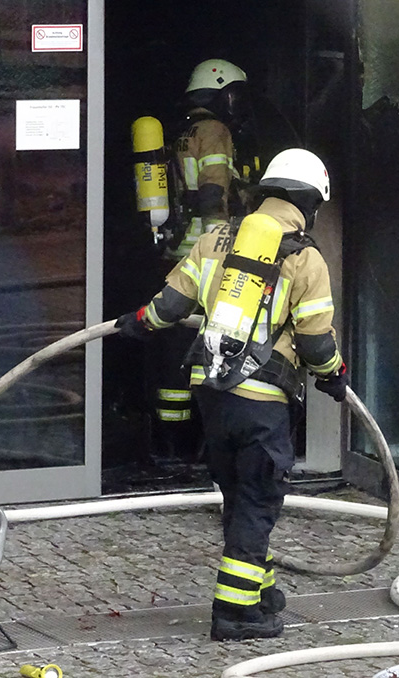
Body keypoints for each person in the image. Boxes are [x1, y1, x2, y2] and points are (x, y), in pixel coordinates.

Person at [117, 148, 350, 641]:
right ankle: (235, 613)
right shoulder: (305, 257)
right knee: (258, 500)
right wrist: (333, 374)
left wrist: (136, 325)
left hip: (212, 396)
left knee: (239, 496)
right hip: (263, 404)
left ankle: (259, 594)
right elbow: (315, 341)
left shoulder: (213, 238)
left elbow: (170, 306)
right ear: (309, 203)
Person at [143, 58, 259, 461]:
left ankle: (170, 443)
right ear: (219, 92)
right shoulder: (214, 130)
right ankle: (203, 441)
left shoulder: (182, 131)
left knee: (176, 344)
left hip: (177, 249)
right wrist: (221, 242)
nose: (238, 103)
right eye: (235, 93)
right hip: (205, 251)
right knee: (214, 343)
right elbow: (213, 191)